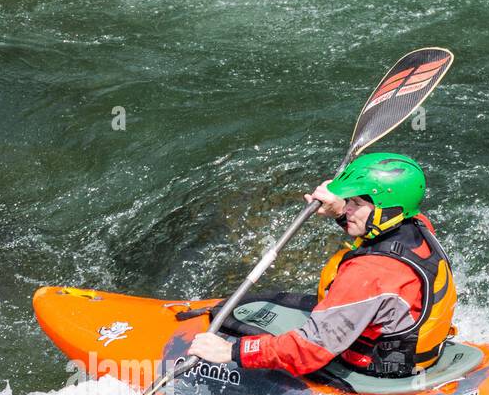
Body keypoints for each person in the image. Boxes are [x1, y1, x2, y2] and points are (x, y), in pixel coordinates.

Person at [187, 153, 456, 379]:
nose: (349, 208)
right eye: (350, 202)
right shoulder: (416, 223)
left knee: (239, 324)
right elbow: (375, 232)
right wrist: (339, 209)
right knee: (251, 302)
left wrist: (231, 352)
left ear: (388, 210)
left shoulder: (368, 274)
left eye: (357, 203)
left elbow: (309, 351)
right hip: (412, 347)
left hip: (378, 367)